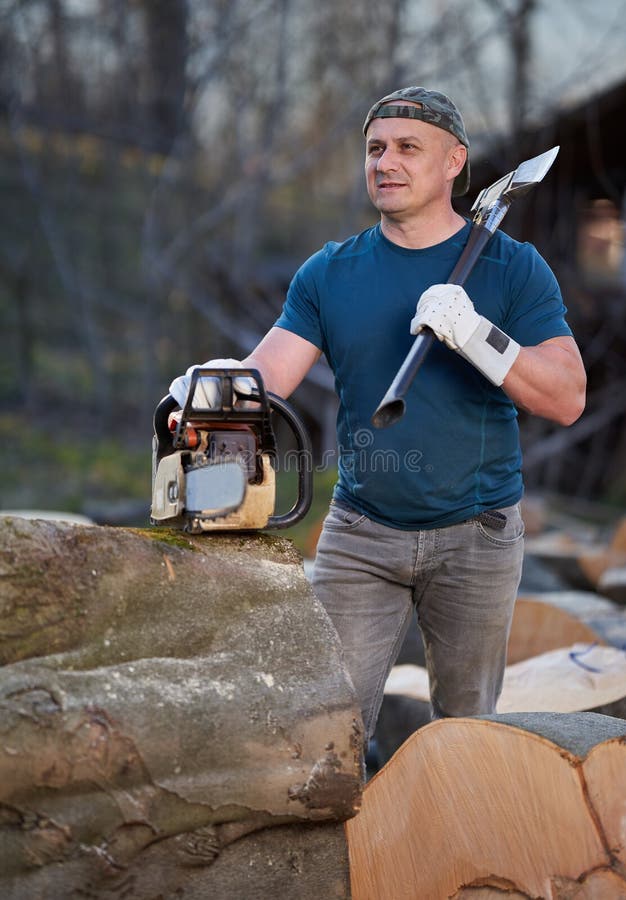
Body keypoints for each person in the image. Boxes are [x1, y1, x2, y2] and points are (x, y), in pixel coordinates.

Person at [170, 86, 586, 751]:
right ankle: (342, 854)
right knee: (322, 730)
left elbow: (565, 398)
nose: (384, 163)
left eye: (405, 148)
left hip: (476, 535)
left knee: (467, 736)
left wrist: (476, 334)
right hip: (361, 534)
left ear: (454, 162)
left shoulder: (512, 268)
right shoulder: (331, 272)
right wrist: (213, 387)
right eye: (374, 149)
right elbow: (268, 375)